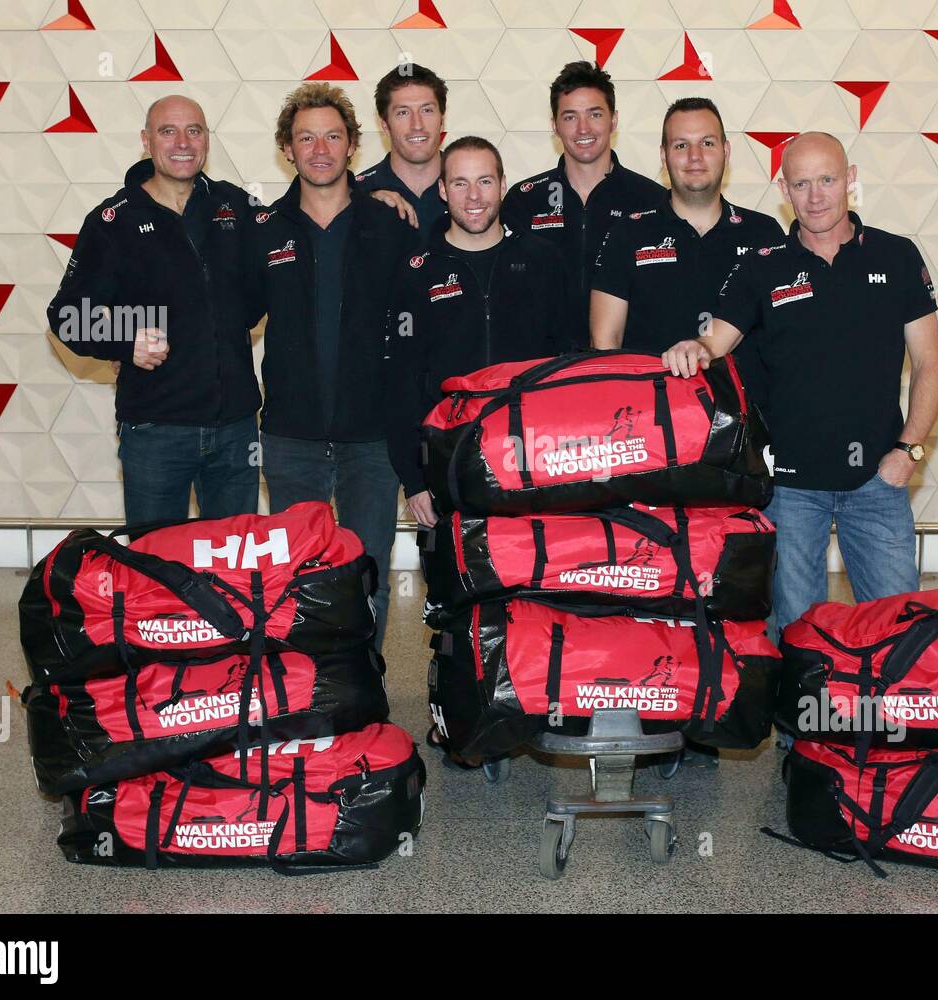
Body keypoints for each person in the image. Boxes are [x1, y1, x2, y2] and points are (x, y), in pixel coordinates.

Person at [662, 131, 938, 643]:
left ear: (850, 179)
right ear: (784, 190)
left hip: (879, 483)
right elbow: (715, 343)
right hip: (790, 489)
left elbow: (928, 364)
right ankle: (802, 728)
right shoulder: (763, 265)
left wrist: (909, 451)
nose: (816, 196)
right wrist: (694, 350)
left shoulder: (897, 256)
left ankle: (888, 726)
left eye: (828, 180)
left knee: (899, 631)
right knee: (796, 634)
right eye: (802, 183)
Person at [242, 83, 420, 649]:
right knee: (298, 580)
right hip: (290, 438)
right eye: (305, 138)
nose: (320, 149)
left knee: (366, 576)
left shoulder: (390, 225)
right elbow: (226, 317)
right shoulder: (263, 231)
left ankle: (364, 692)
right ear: (287, 150)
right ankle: (309, 696)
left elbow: (422, 325)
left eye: (333, 136)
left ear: (352, 147)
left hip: (371, 438)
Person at [47, 95, 260, 527]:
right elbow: (66, 314)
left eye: (194, 131)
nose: (182, 142)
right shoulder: (113, 221)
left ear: (206, 141)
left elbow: (298, 225)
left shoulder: (234, 206)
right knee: (154, 574)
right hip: (155, 432)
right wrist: (125, 343)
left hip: (235, 430)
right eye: (168, 131)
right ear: (147, 142)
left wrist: (372, 193)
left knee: (233, 575)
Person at [385, 136, 573, 529]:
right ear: (441, 189)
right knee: (451, 586)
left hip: (533, 460)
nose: (474, 196)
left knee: (529, 582)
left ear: (504, 185)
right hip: (447, 462)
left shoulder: (544, 260)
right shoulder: (416, 271)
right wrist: (414, 479)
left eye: (485, 181)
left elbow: (566, 364)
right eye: (460, 183)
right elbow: (399, 381)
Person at [589, 97, 783, 405]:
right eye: (681, 146)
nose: (695, 156)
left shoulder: (765, 233)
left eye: (707, 143)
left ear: (726, 151)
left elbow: (785, 338)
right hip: (655, 425)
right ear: (664, 157)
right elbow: (605, 342)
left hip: (748, 430)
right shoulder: (628, 233)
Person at [501, 61, 665, 342]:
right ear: (554, 125)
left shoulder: (652, 201)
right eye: (570, 117)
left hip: (627, 368)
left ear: (613, 120)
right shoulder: (523, 201)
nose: (583, 128)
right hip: (543, 370)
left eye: (595, 114)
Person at [353, 63, 449, 241]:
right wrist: (366, 203)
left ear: (442, 120)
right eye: (403, 113)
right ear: (385, 126)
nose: (417, 124)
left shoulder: (471, 189)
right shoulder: (357, 194)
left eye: (427, 110)